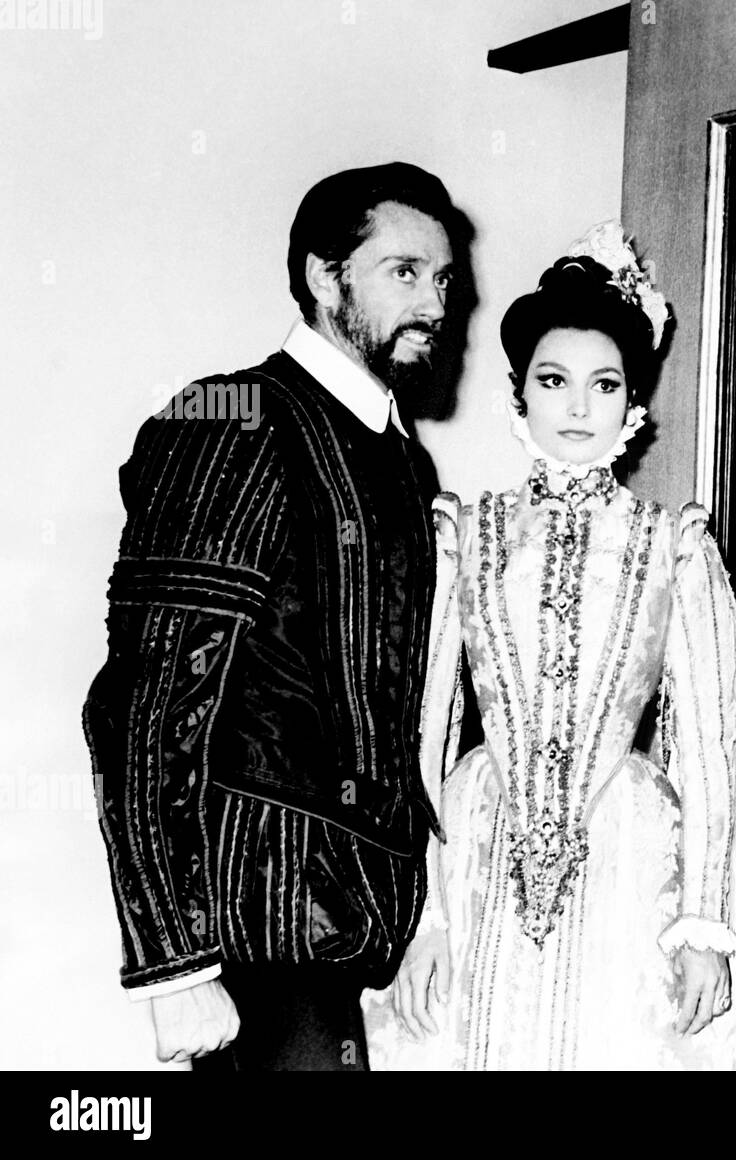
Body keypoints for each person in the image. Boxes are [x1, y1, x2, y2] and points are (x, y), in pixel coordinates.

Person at [362, 224, 736, 1069]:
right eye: (554, 381)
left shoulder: (674, 546)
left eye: (603, 384)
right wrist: (421, 915)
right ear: (521, 394)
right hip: (476, 860)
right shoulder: (466, 534)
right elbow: (419, 740)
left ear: (631, 402)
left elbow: (713, 750)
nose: (578, 408)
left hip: (629, 866)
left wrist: (704, 927)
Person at [83, 162, 465, 1069]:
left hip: (368, 936)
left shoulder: (407, 470)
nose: (436, 303)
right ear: (324, 278)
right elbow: (142, 702)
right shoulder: (232, 418)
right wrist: (171, 966)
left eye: (444, 279)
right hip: (257, 942)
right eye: (403, 272)